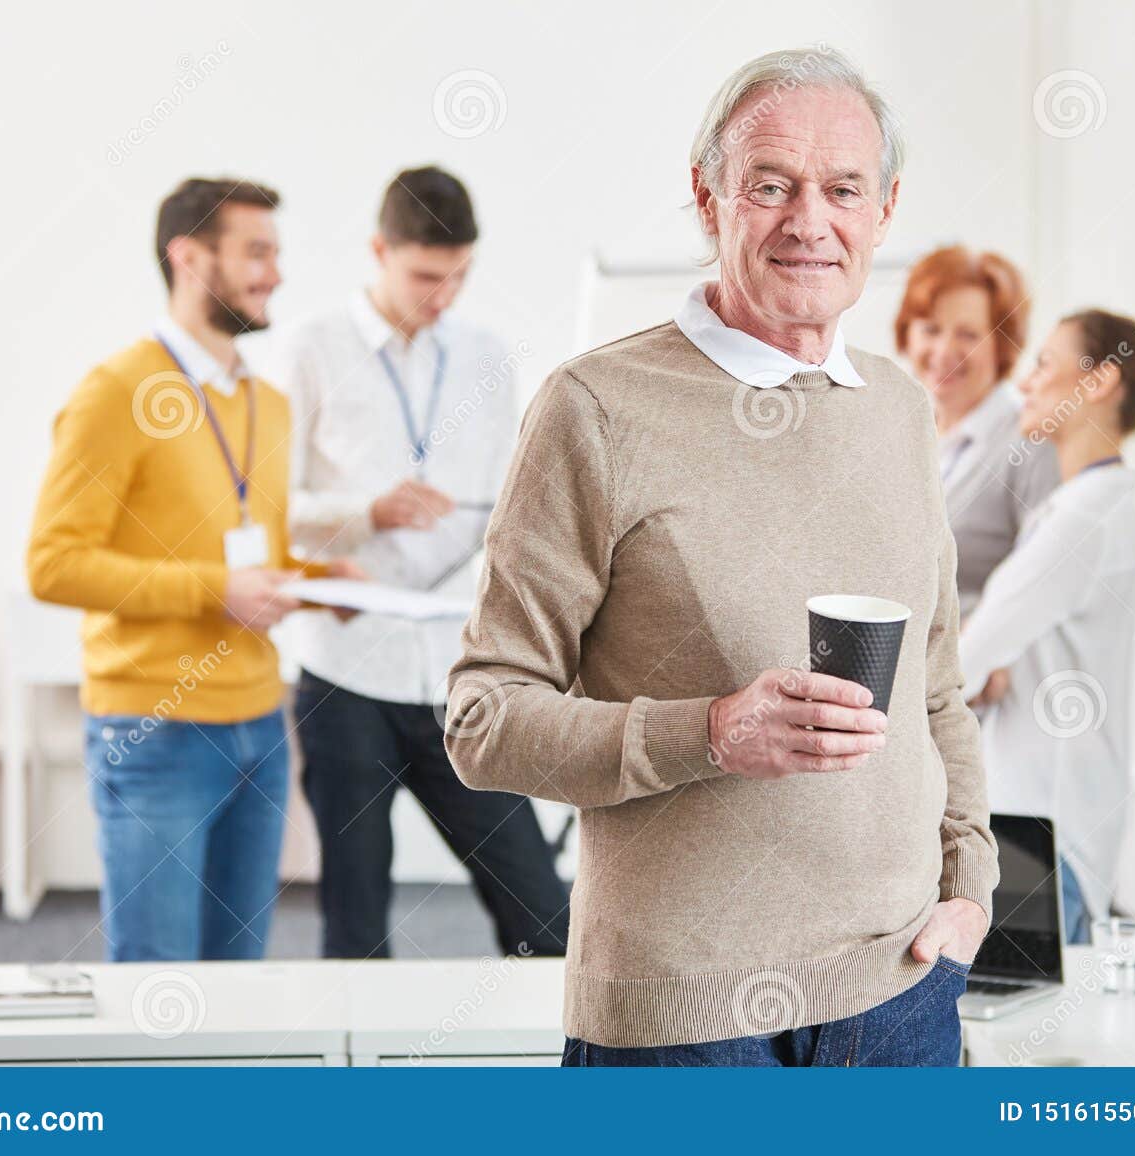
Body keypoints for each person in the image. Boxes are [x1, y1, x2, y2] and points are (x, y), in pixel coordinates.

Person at [446, 48, 998, 1067]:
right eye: (771, 185)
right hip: (685, 1022)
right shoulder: (595, 408)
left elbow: (936, 690)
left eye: (843, 189)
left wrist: (970, 886)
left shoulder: (899, 409)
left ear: (884, 209)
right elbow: (484, 720)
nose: (809, 222)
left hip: (902, 993)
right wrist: (707, 731)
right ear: (708, 199)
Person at [27, 177, 361, 962]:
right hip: (156, 732)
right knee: (158, 987)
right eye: (255, 252)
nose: (275, 273)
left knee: (236, 984)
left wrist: (321, 582)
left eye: (275, 253)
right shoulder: (115, 391)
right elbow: (54, 563)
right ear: (187, 257)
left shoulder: (268, 403)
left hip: (260, 724)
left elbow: (247, 553)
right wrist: (216, 590)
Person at [280, 166, 568, 960]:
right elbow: (269, 508)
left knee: (544, 915)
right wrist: (368, 512)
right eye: (424, 277)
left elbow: (511, 501)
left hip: (455, 671)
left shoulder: (485, 356)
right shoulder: (311, 347)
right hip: (347, 672)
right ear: (379, 251)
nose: (443, 296)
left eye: (458, 276)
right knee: (356, 926)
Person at [959, 309, 1135, 943]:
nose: (1025, 384)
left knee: (1022, 1010)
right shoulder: (1085, 507)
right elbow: (996, 649)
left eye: (1044, 365)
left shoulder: (1084, 519)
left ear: (1099, 381)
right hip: (1047, 828)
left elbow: (963, 663)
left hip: (1043, 838)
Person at [896, 245, 1058, 617]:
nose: (944, 351)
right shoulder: (905, 428)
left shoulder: (1032, 440)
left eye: (968, 335)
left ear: (1002, 345)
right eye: (931, 329)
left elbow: (1042, 584)